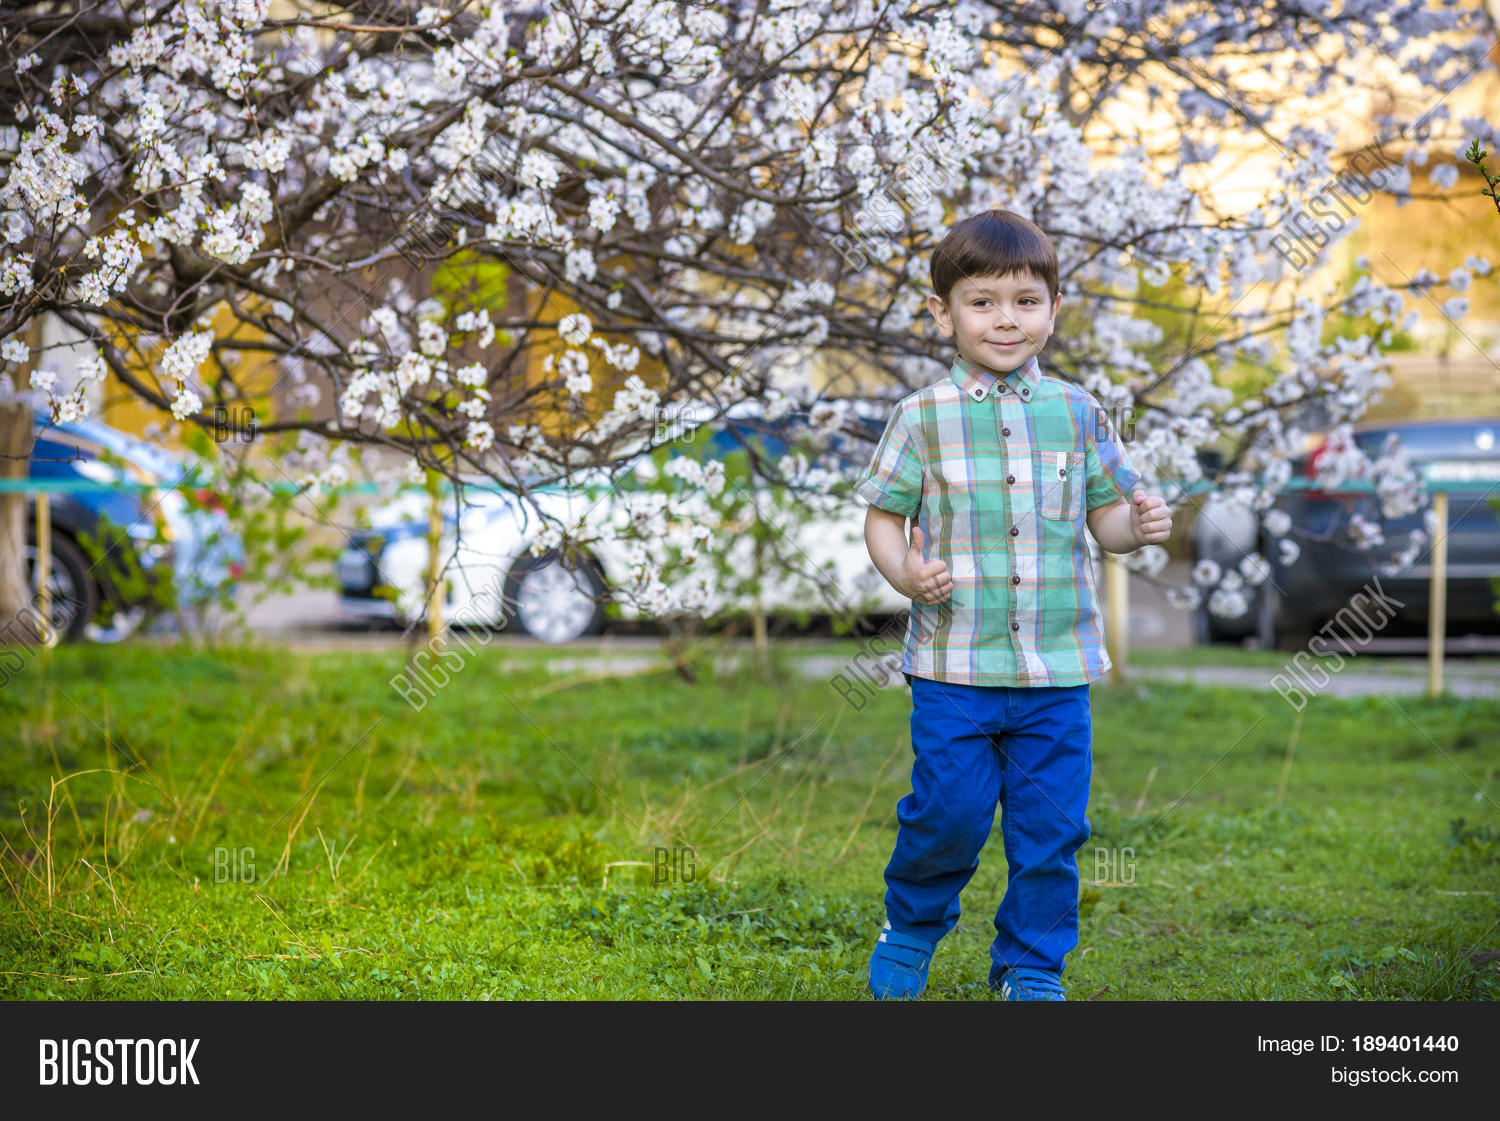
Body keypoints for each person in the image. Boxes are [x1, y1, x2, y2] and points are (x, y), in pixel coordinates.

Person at [855, 208, 1172, 1000]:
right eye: (983, 301)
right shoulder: (921, 417)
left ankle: (1030, 963)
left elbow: (1105, 516)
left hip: (1056, 670)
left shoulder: (1078, 411)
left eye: (1026, 301)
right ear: (943, 314)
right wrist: (906, 574)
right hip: (954, 666)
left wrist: (1134, 527)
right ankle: (912, 924)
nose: (1006, 319)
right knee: (949, 812)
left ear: (1053, 309)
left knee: (1051, 829)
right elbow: (883, 517)